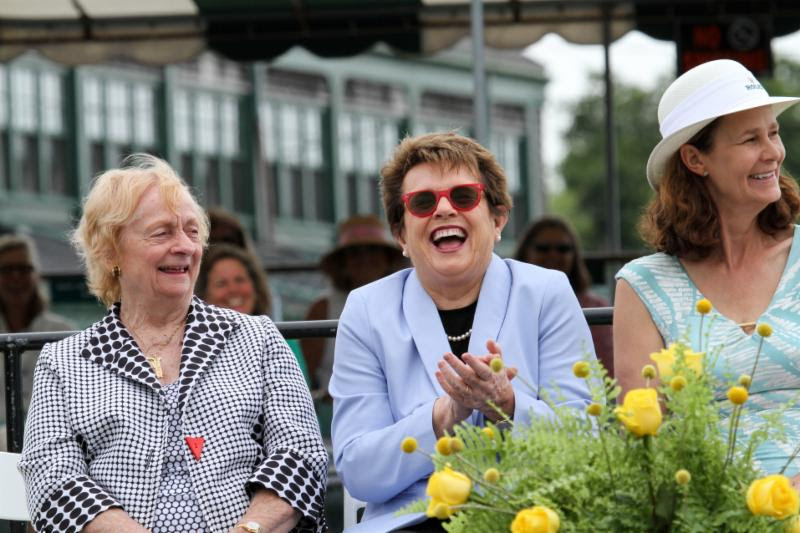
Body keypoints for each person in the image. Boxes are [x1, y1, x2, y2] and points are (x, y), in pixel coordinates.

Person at [20, 154, 327, 532]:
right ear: (111, 250)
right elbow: (52, 477)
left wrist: (250, 530)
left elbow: (301, 454)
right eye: (162, 232)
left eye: (192, 231)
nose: (185, 246)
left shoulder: (257, 339)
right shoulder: (65, 362)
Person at [330, 132, 595, 532]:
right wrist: (442, 417)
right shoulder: (367, 309)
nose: (443, 210)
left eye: (463, 197)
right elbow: (359, 470)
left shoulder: (546, 293)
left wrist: (508, 405)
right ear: (401, 235)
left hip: (526, 518)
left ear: (498, 218)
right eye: (422, 202)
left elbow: (585, 447)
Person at [614, 59, 800, 481]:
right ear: (697, 160)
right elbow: (646, 444)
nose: (773, 152)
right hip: (707, 509)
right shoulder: (643, 287)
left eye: (773, 132)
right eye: (750, 139)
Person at [301, 214, 405, 398]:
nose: (365, 259)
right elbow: (303, 375)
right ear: (343, 262)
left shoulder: (407, 298)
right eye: (355, 252)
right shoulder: (322, 308)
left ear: (387, 258)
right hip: (338, 410)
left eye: (372, 250)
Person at [0, 234, 75, 451]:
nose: (16, 277)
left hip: (49, 443)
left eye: (23, 269)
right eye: (7, 270)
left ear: (36, 275)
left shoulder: (63, 332)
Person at [196, 243, 309, 384]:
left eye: (240, 280)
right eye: (221, 283)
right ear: (203, 296)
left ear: (256, 288)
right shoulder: (194, 346)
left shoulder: (283, 339)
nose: (233, 289)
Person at [515, 216, 614, 376]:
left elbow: (608, 370)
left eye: (563, 248)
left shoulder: (597, 308)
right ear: (525, 251)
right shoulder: (509, 304)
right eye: (543, 248)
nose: (553, 255)